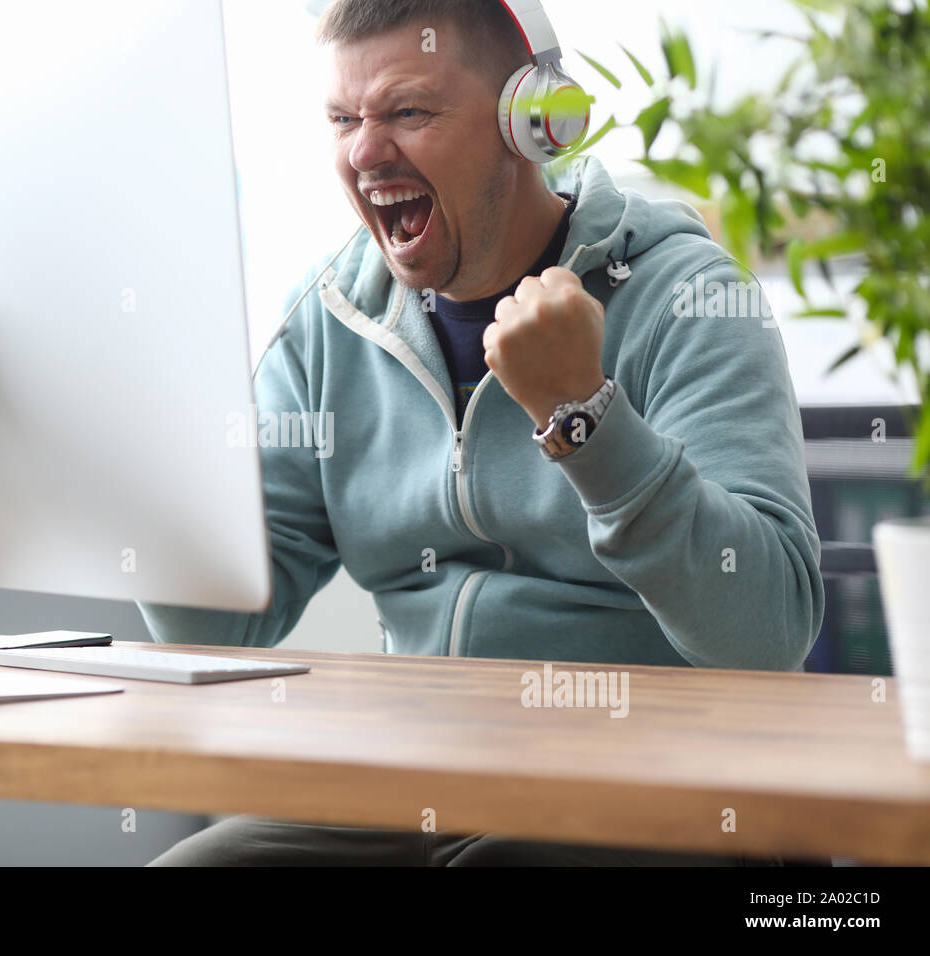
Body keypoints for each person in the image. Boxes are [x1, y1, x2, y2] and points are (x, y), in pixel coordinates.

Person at [140, 0, 824, 866]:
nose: (364, 151)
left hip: (662, 787)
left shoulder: (687, 297)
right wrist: (135, 464)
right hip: (415, 782)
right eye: (343, 119)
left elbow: (765, 635)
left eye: (407, 112)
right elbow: (223, 622)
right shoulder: (329, 318)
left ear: (536, 124)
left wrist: (585, 421)